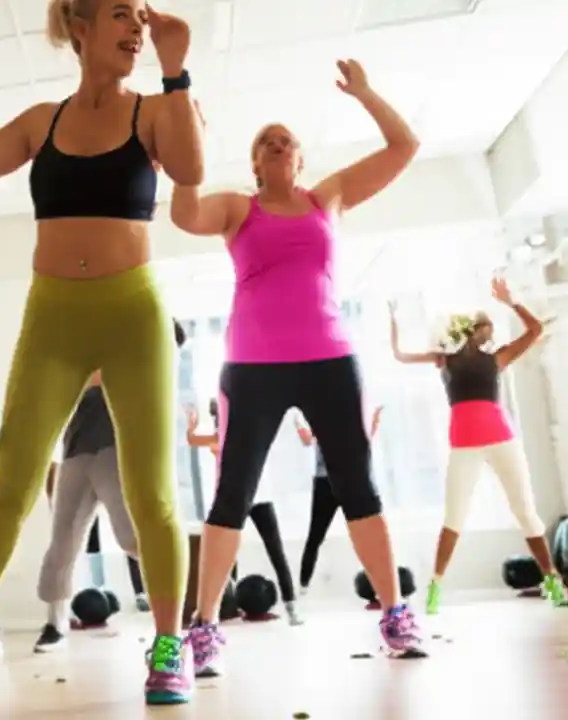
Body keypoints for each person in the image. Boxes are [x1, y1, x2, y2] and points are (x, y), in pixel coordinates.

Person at [0, 0, 204, 707]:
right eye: (121, 14)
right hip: (54, 317)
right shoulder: (45, 121)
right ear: (80, 26)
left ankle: (167, 645)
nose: (135, 29)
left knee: (153, 492)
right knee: (10, 483)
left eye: (140, 17)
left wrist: (178, 69)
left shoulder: (154, 111)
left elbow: (189, 168)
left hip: (134, 315)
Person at [170, 56, 425, 676]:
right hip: (252, 369)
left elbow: (404, 145)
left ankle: (394, 613)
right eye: (265, 142)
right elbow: (183, 214)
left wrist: (365, 92)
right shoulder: (236, 207)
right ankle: (203, 628)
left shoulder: (327, 198)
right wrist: (187, 155)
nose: (277, 144)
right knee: (232, 493)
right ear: (256, 163)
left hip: (331, 362)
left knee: (358, 486)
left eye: (287, 141)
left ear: (300, 159)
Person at [389, 279, 565, 612]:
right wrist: (395, 320)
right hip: (465, 445)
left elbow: (535, 328)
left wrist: (512, 301)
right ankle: (435, 587)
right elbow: (399, 355)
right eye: (484, 326)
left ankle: (552, 580)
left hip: (501, 440)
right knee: (454, 517)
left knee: (525, 512)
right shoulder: (445, 360)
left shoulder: (497, 358)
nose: (487, 331)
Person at [34, 318, 186, 652]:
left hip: (115, 455)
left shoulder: (147, 371)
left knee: (133, 538)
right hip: (75, 455)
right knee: (62, 543)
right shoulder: (92, 363)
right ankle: (54, 623)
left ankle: (171, 622)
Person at [186, 401, 301, 625]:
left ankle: (291, 606)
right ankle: (227, 606)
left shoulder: (239, 435)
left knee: (274, 552)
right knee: (229, 556)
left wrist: (192, 428)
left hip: (257, 497)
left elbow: (194, 440)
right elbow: (196, 441)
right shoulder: (223, 437)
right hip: (236, 499)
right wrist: (192, 427)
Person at [294, 405, 383, 595]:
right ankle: (303, 585)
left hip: (344, 481)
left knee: (364, 533)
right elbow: (307, 440)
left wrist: (375, 419)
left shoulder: (345, 420)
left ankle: (378, 581)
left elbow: (366, 438)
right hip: (329, 482)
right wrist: (297, 422)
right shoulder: (324, 420)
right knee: (316, 535)